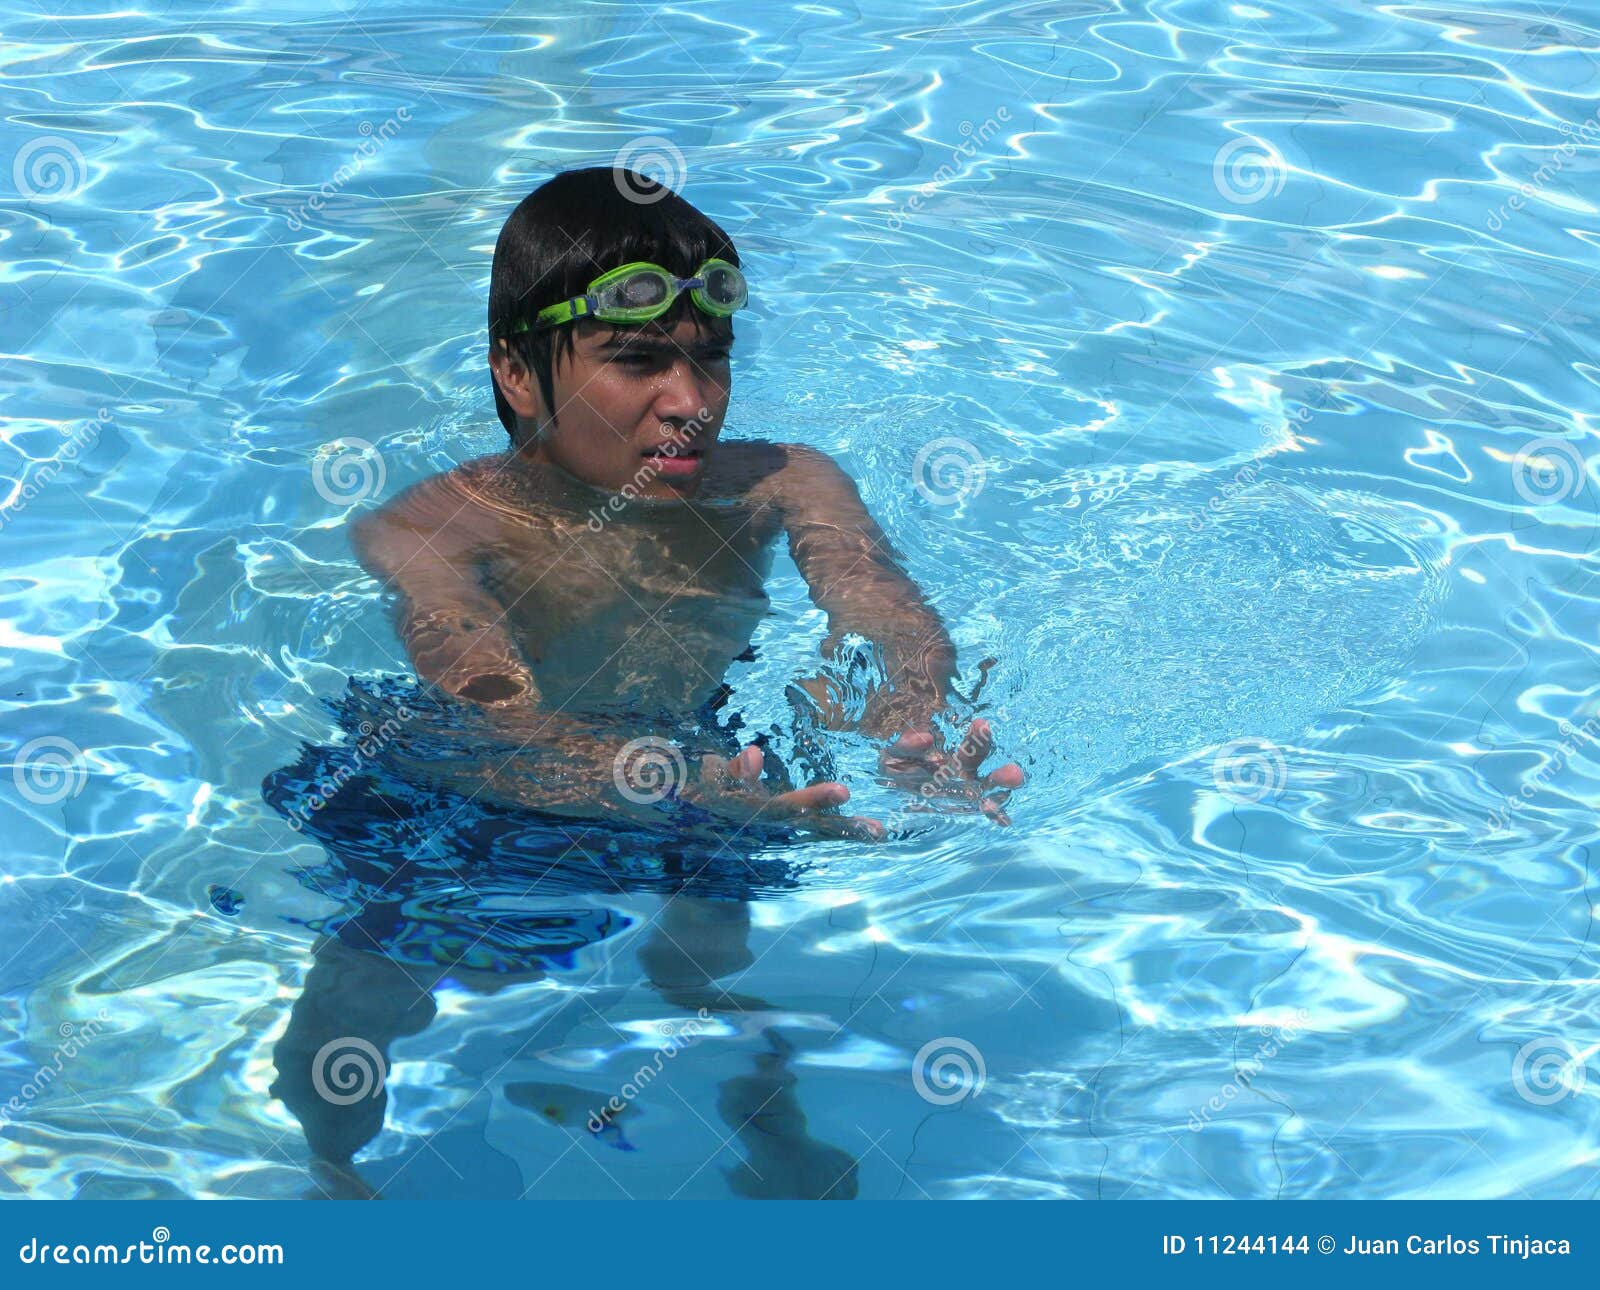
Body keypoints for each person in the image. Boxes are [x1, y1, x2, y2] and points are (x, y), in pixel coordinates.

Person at [350, 166, 1023, 840]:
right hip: (459, 818)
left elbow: (889, 619)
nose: (691, 402)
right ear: (517, 374)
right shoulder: (434, 531)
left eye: (712, 356)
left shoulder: (783, 482)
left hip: (714, 777)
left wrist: (911, 730)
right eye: (638, 361)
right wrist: (675, 795)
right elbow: (490, 725)